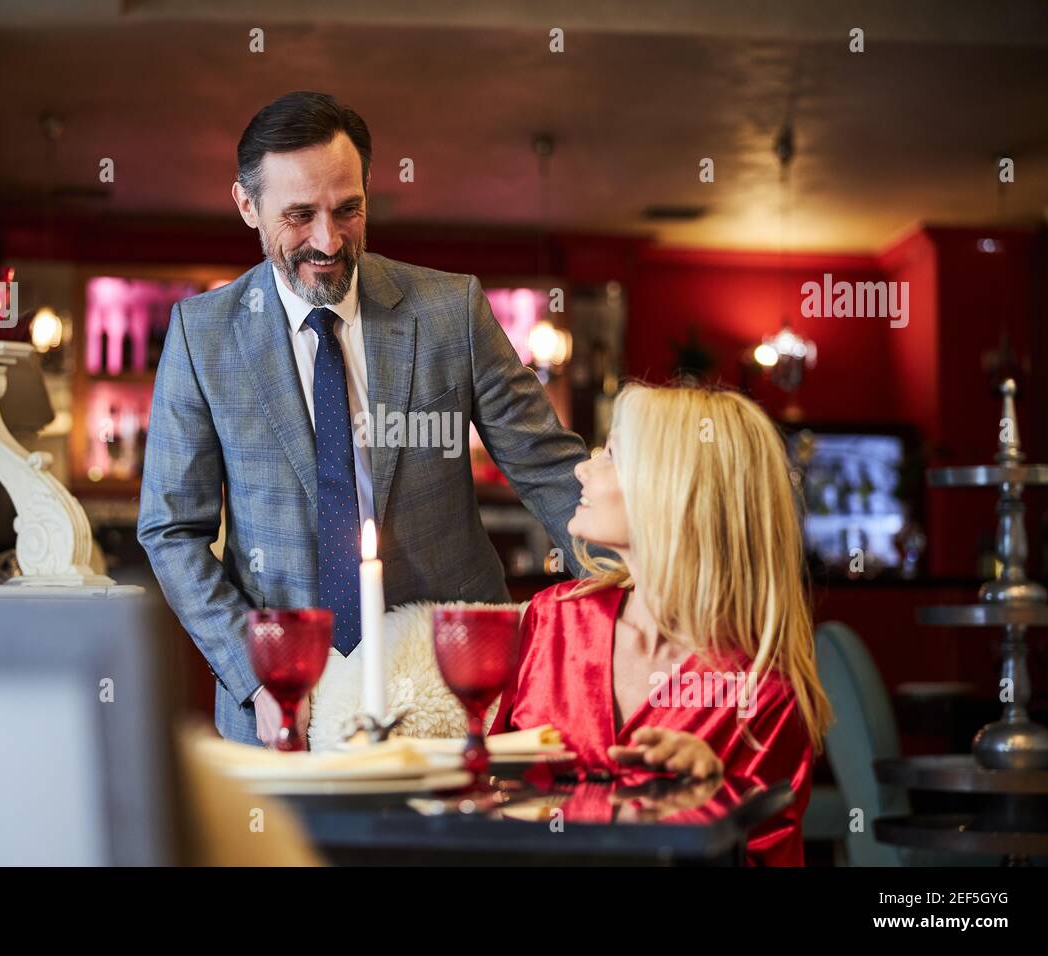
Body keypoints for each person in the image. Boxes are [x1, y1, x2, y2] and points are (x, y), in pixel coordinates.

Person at [139, 91, 588, 746]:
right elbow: (173, 529)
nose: (327, 240)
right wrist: (256, 674)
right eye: (298, 215)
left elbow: (555, 478)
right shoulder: (203, 336)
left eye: (347, 209)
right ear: (246, 205)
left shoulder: (450, 312)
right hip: (284, 703)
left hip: (450, 689)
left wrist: (636, 606)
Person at [489, 382, 833, 865]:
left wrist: (708, 802)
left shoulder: (764, 693)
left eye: (610, 454)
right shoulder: (551, 619)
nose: (582, 468)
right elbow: (488, 796)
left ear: (673, 492)